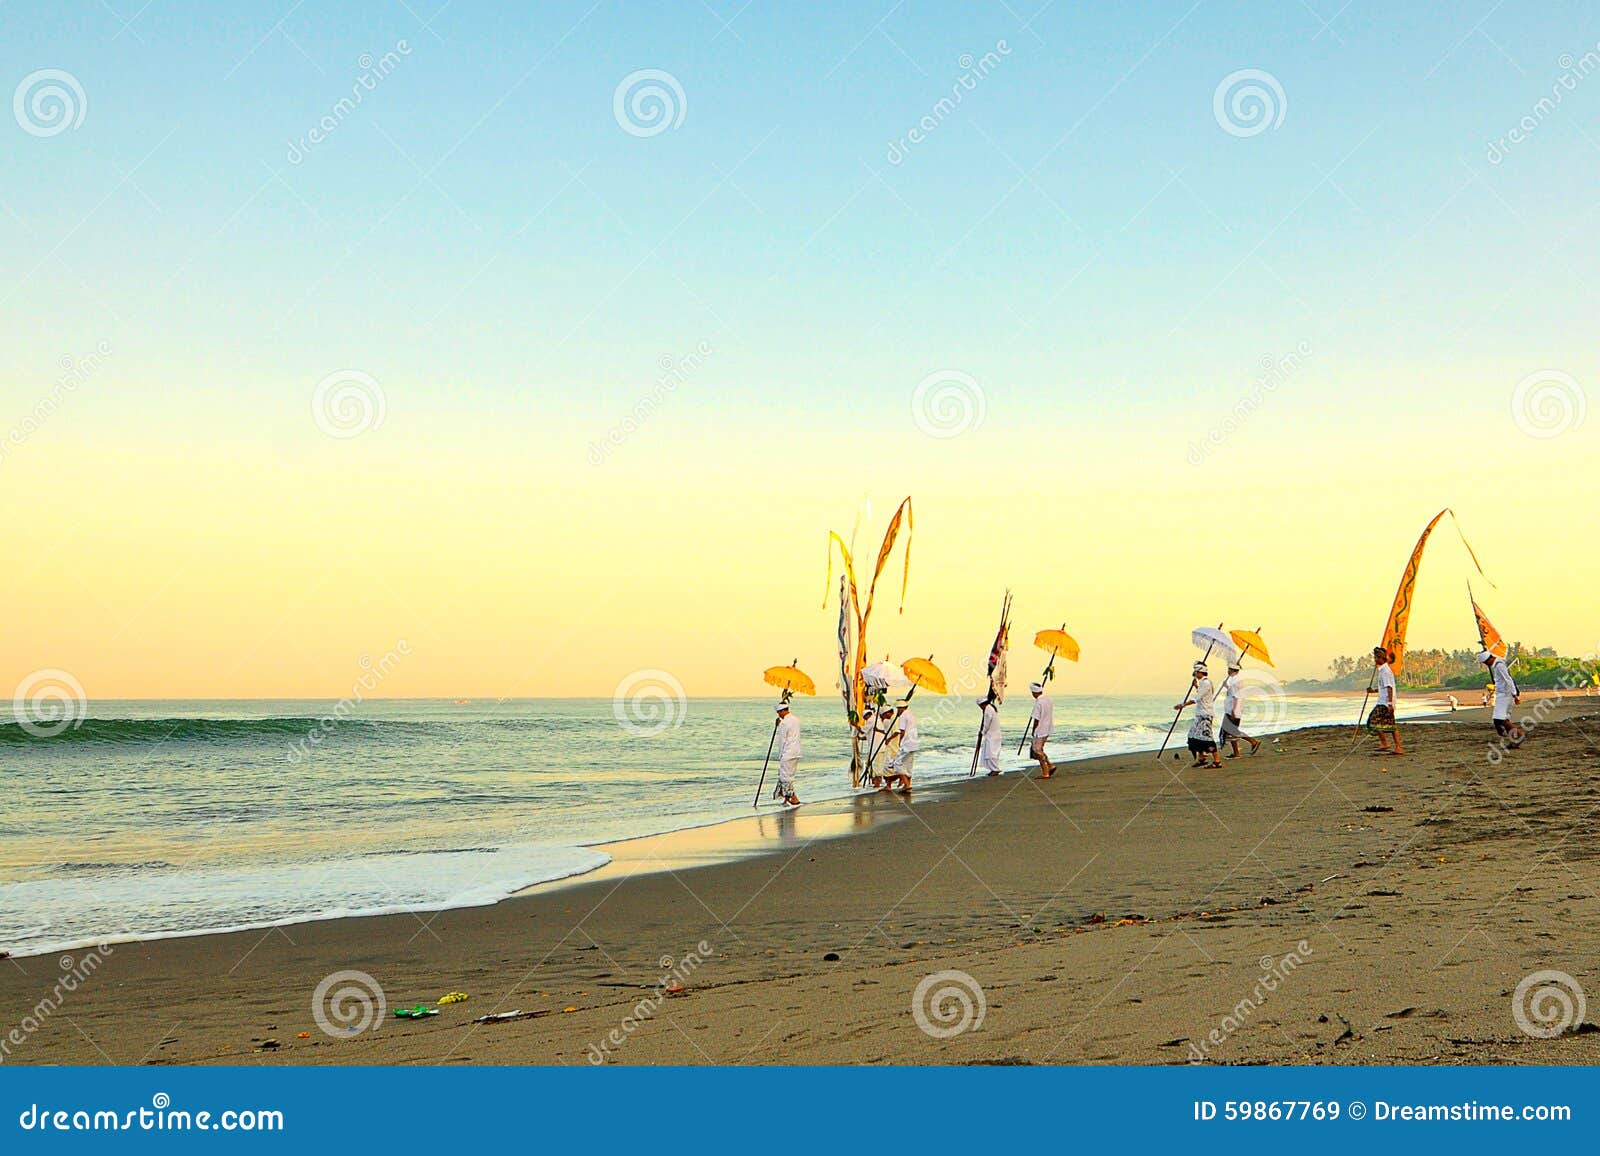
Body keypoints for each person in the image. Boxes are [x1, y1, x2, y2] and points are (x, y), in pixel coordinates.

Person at [1177, 661, 1221, 768]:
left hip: (1205, 714)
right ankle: (1201, 758)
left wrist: (1183, 705)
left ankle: (1217, 761)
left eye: (1195, 672)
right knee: (1193, 736)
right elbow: (1202, 694)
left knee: (1207, 738)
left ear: (1199, 672)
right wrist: (1196, 686)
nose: (1194, 674)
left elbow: (1196, 698)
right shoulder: (1203, 683)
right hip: (1200, 714)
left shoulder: (1206, 683)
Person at [1480, 649, 1524, 749]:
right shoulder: (1497, 665)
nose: (1487, 665)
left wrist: (1515, 695)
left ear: (1489, 659)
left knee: (1499, 719)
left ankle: (1519, 734)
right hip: (1502, 695)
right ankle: (1514, 741)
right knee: (1503, 720)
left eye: (1486, 663)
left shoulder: (1499, 666)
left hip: (1505, 695)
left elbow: (1508, 680)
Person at [1366, 645, 1404, 756]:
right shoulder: (1382, 670)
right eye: (1375, 657)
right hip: (1384, 701)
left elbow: (1389, 688)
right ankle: (1391, 745)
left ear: (1383, 658)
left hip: (1385, 703)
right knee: (1388, 724)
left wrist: (1390, 704)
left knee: (1374, 720)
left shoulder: (1386, 671)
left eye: (1377, 657)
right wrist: (1373, 691)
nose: (1375, 660)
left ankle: (1390, 744)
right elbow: (1383, 688)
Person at [1218, 662, 1261, 758]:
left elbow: (1236, 696)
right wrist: (1226, 686)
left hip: (1232, 710)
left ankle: (1253, 741)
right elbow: (1234, 693)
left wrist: (1234, 710)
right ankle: (1236, 752)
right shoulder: (1236, 680)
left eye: (1228, 669)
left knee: (1231, 731)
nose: (1227, 671)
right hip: (1232, 709)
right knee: (1231, 731)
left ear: (1231, 670)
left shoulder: (1235, 681)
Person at [882, 699, 919, 793]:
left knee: (898, 765)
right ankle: (907, 785)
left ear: (901, 708)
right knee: (908, 765)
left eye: (898, 709)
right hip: (913, 743)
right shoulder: (911, 714)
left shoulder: (903, 716)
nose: (897, 711)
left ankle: (907, 786)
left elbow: (902, 731)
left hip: (906, 743)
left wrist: (899, 742)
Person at [774, 701, 801, 805]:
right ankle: (786, 798)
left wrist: (780, 755)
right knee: (789, 775)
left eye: (778, 713)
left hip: (787, 752)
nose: (778, 715)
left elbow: (782, 740)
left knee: (785, 776)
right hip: (796, 751)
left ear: (782, 711)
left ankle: (793, 798)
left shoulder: (784, 723)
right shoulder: (796, 719)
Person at [1028, 681, 1056, 778]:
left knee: (1037, 751)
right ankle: (1050, 766)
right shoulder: (1048, 700)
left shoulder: (1038, 703)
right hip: (1048, 728)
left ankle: (1046, 772)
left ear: (1034, 693)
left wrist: (1033, 730)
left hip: (1040, 730)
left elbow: (1036, 719)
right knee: (1040, 749)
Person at [978, 694, 1003, 776]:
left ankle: (995, 769)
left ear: (982, 704)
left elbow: (986, 724)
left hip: (992, 735)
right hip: (995, 734)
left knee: (991, 754)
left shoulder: (988, 710)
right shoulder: (991, 708)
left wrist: (982, 732)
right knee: (992, 753)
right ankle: (993, 769)